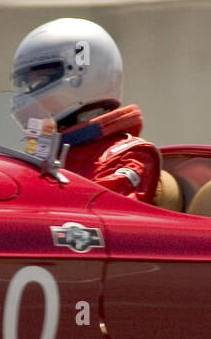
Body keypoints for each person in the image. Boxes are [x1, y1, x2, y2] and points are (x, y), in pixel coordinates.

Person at [10, 17, 171, 206]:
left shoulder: (129, 156)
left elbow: (98, 215)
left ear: (78, 72)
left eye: (40, 80)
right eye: (26, 84)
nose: (27, 94)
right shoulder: (42, 152)